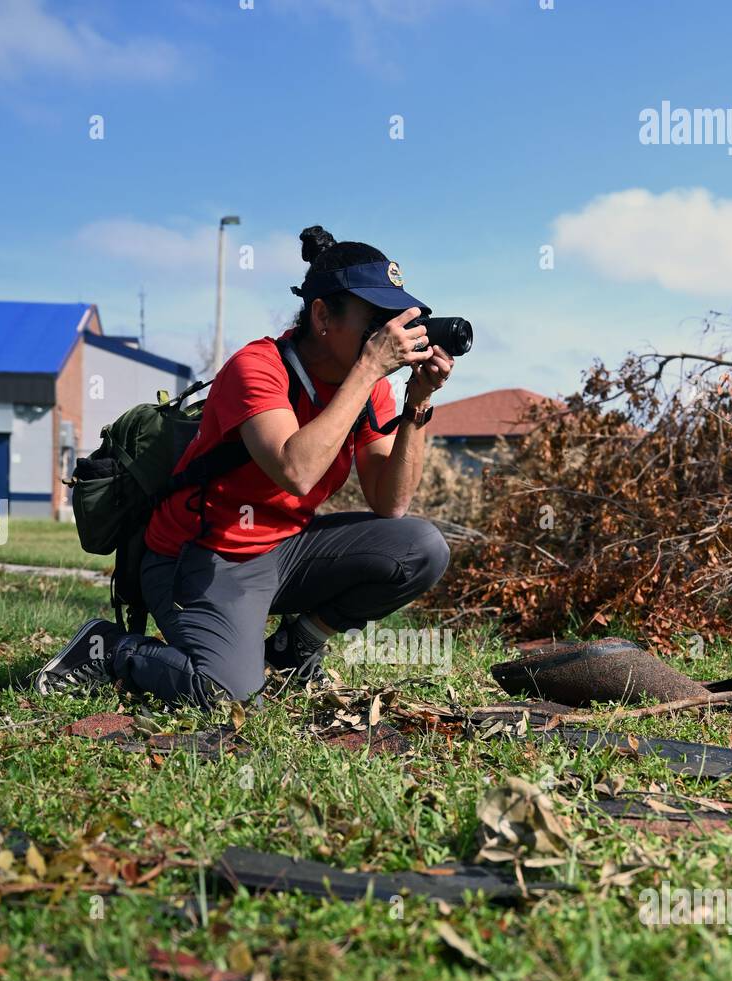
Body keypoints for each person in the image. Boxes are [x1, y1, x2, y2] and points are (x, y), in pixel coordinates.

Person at [36, 226, 453, 707]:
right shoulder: (258, 368)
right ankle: (110, 649)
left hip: (284, 548)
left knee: (420, 546)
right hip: (202, 556)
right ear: (322, 315)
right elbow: (294, 470)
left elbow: (391, 501)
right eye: (375, 317)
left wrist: (417, 403)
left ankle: (294, 646)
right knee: (227, 696)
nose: (389, 332)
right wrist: (366, 372)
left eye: (393, 317)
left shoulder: (370, 387)